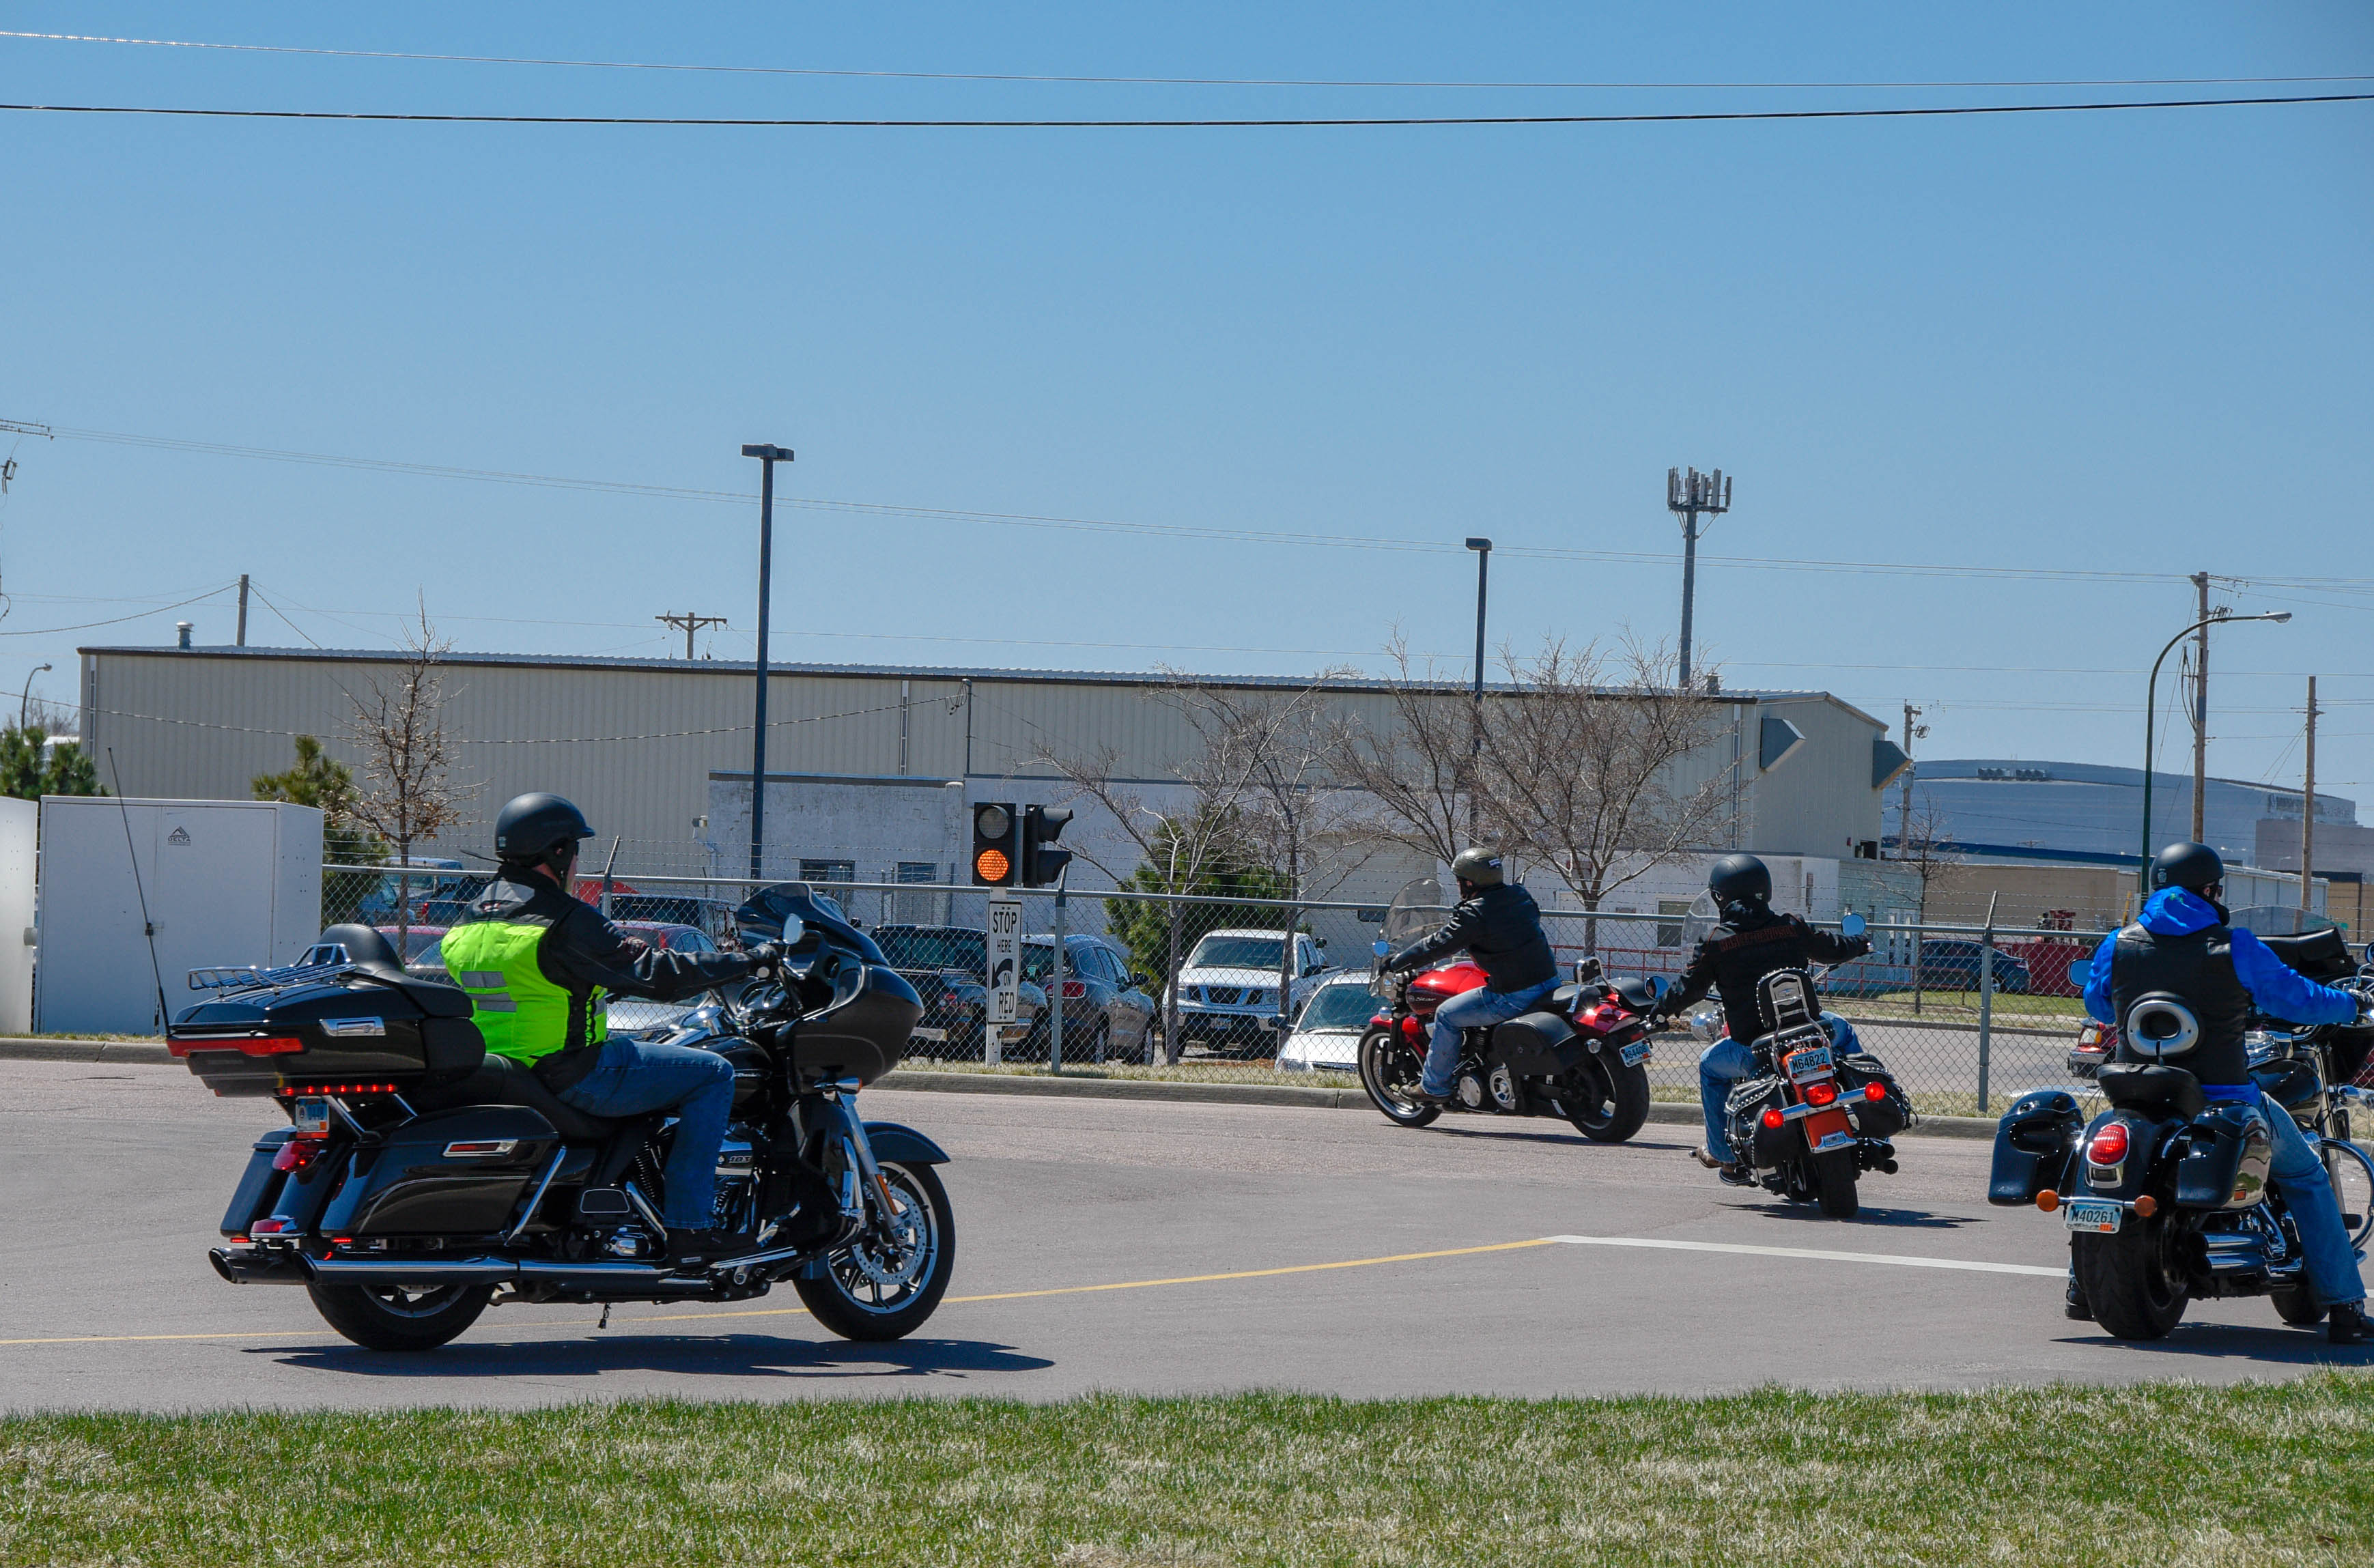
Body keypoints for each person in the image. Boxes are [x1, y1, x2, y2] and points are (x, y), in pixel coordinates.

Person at [442, 793, 785, 1266]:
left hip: (502, 1066)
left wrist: (603, 980)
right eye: (575, 851)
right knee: (713, 1073)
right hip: (572, 1070)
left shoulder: (472, 917)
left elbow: (535, 984)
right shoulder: (562, 918)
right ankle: (690, 1227)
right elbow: (657, 975)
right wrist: (748, 961)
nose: (577, 863)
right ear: (558, 852)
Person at [2078, 841, 2371, 1345]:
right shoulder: (2233, 944)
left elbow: (2099, 1003)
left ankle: (2078, 1287)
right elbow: (2296, 998)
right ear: (2211, 890)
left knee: (2104, 1180)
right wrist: (2350, 1004)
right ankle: (2345, 1305)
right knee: (2306, 1176)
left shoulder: (2119, 942)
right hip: (2223, 1095)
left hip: (2138, 1094)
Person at [1653, 853, 1872, 1182]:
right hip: (1810, 1032)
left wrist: (1659, 1010)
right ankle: (1864, 1103)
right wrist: (1860, 943)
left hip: (1754, 1048)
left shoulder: (1717, 942)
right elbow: (1831, 947)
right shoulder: (1791, 927)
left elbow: (1689, 989)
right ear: (1765, 890)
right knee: (1843, 1030)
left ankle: (1725, 1157)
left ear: (1719, 896)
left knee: (1709, 1066)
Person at [1383, 848, 1559, 1106]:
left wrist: (1398, 962)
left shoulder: (1474, 913)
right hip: (1550, 982)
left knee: (1446, 1014)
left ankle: (1434, 1087)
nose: (1458, 886)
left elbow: (1439, 944)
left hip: (1514, 994)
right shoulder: (1519, 895)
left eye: (1459, 881)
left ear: (1469, 883)